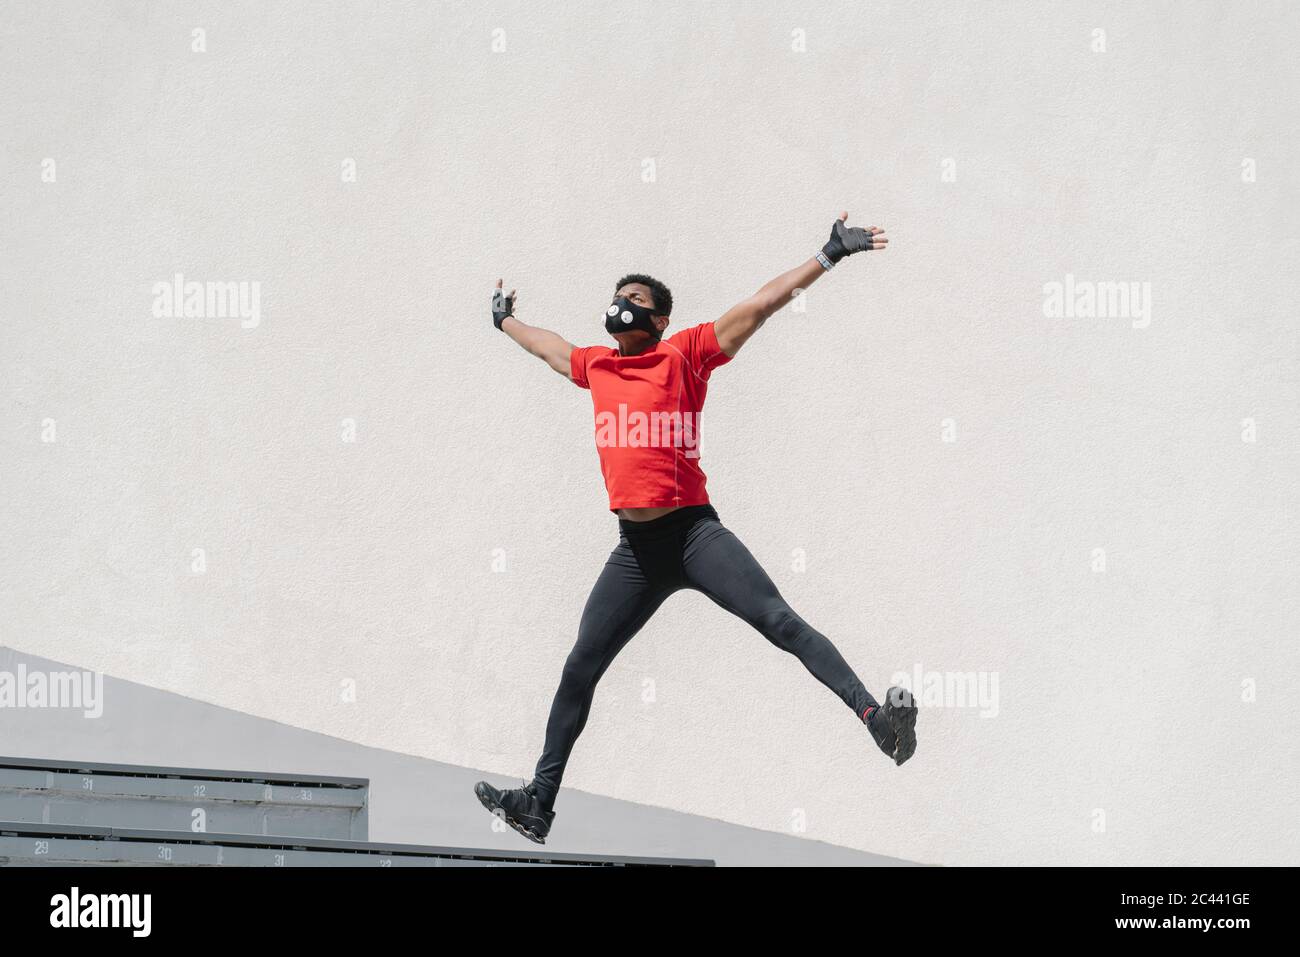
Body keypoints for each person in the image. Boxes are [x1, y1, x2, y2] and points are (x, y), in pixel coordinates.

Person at [474, 213, 917, 844]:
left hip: (693, 535)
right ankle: (538, 802)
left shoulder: (683, 354)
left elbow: (760, 306)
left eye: (635, 301)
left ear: (657, 319)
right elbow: (547, 345)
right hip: (635, 551)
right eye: (617, 297)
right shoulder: (596, 365)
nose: (621, 306)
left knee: (781, 622)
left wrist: (827, 255)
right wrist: (504, 320)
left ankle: (877, 719)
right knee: (580, 667)